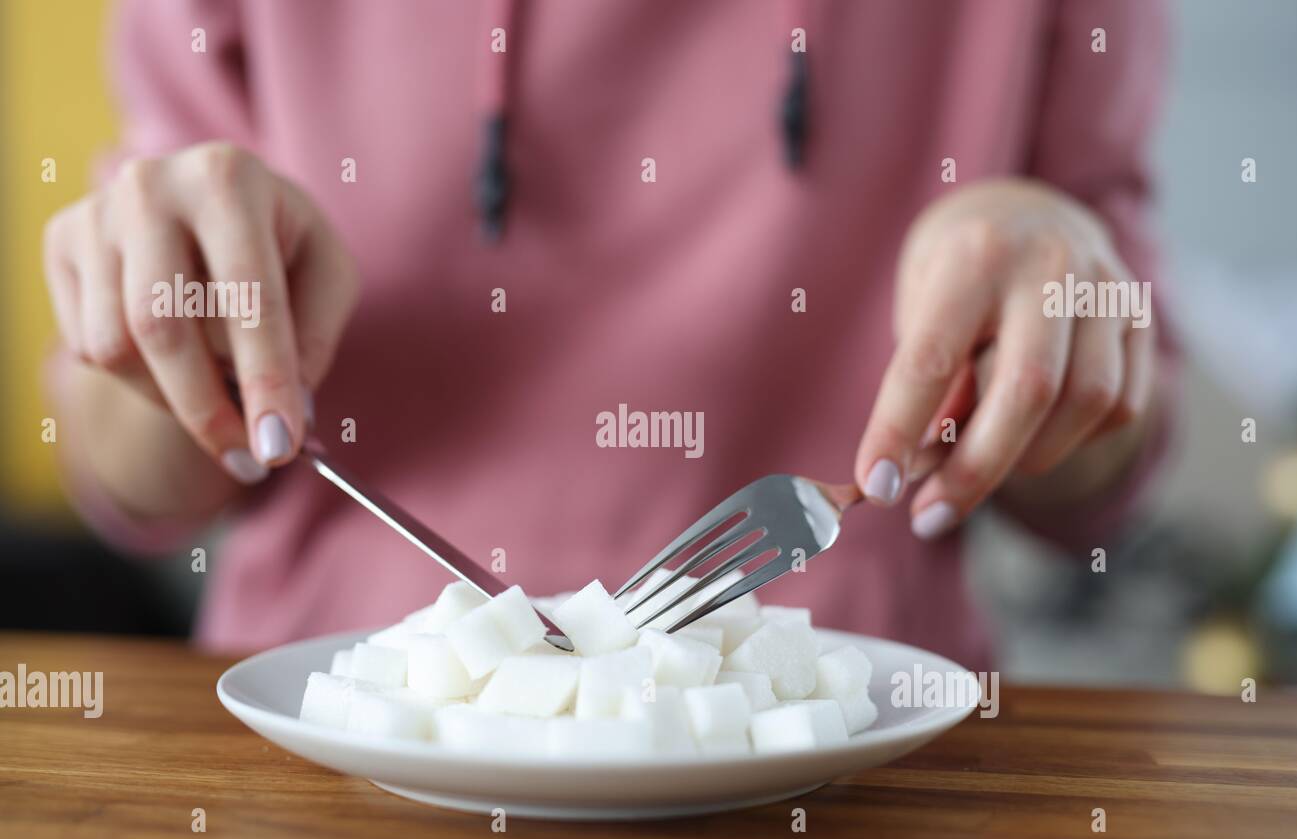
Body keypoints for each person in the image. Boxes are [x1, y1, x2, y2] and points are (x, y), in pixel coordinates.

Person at [43, 0, 1176, 669]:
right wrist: (171, 332)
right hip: (330, 738)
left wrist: (1063, 321)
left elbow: (1107, 477)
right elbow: (127, 481)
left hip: (857, 754)